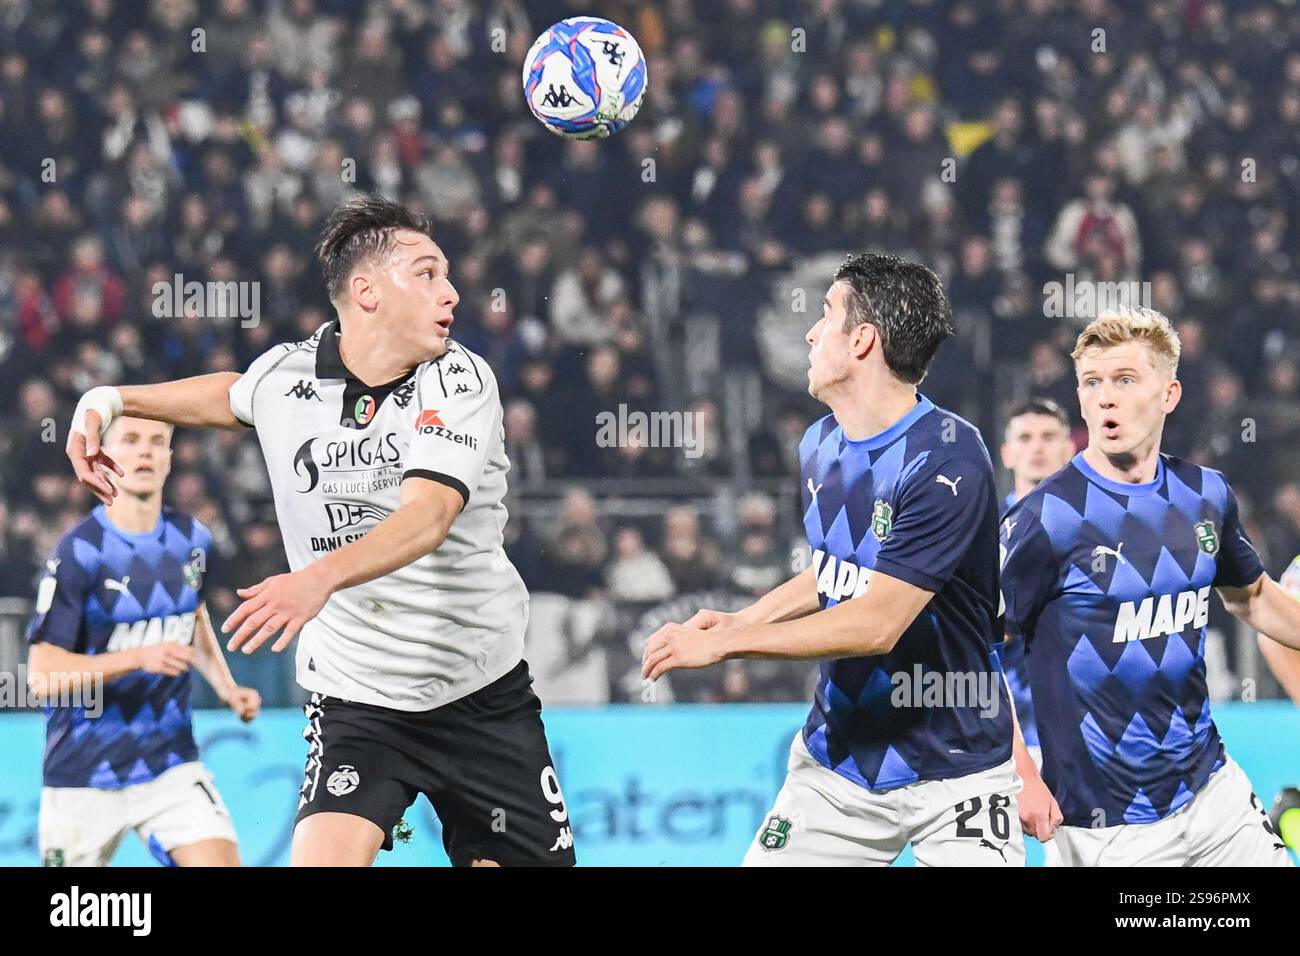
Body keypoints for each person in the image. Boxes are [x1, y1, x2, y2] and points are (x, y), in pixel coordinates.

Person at [65, 195, 574, 867]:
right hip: (357, 705)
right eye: (426, 274)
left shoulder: (460, 380)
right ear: (366, 292)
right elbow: (232, 394)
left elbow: (428, 515)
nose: (450, 292)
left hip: (480, 697)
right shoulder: (286, 376)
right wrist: (111, 399)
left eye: (446, 274)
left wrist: (317, 580)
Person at [643, 253, 1026, 866]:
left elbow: (876, 622)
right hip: (839, 762)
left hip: (957, 771)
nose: (811, 333)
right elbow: (837, 571)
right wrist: (744, 619)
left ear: (863, 341)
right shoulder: (819, 443)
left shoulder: (948, 458)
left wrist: (731, 647)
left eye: (825, 316)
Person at [1000, 307, 1300, 866]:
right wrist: (1021, 774)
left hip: (1213, 795)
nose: (1105, 397)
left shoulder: (1205, 494)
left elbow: (1252, 596)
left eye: (1125, 380)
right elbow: (970, 645)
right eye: (1092, 382)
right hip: (1104, 824)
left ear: (1169, 394)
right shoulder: (1046, 518)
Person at [28, 416, 259, 867]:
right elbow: (41, 676)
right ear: (104, 458)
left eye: (157, 442)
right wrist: (136, 658)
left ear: (170, 459)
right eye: (130, 441)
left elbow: (191, 618)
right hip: (84, 770)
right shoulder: (79, 552)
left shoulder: (192, 539)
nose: (145, 452)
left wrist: (226, 687)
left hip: (169, 762)